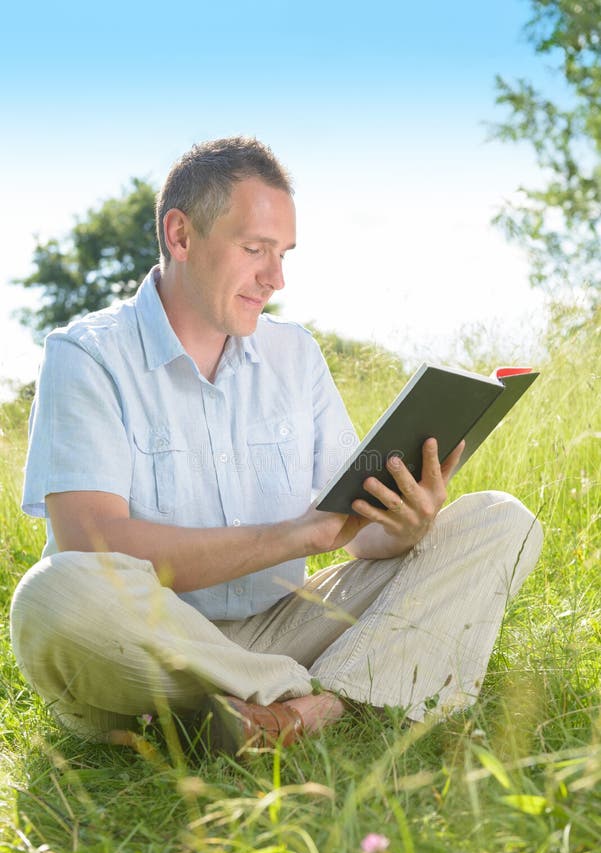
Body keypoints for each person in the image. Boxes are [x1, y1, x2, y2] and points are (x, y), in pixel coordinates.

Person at [10, 137, 543, 756]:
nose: (276, 277)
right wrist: (296, 537)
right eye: (254, 249)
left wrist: (406, 525)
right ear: (180, 236)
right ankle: (324, 693)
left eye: (283, 254)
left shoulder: (297, 354)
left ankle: (298, 711)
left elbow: (356, 531)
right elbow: (95, 543)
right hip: (150, 642)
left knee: (503, 520)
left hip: (284, 624)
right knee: (54, 590)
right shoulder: (87, 356)